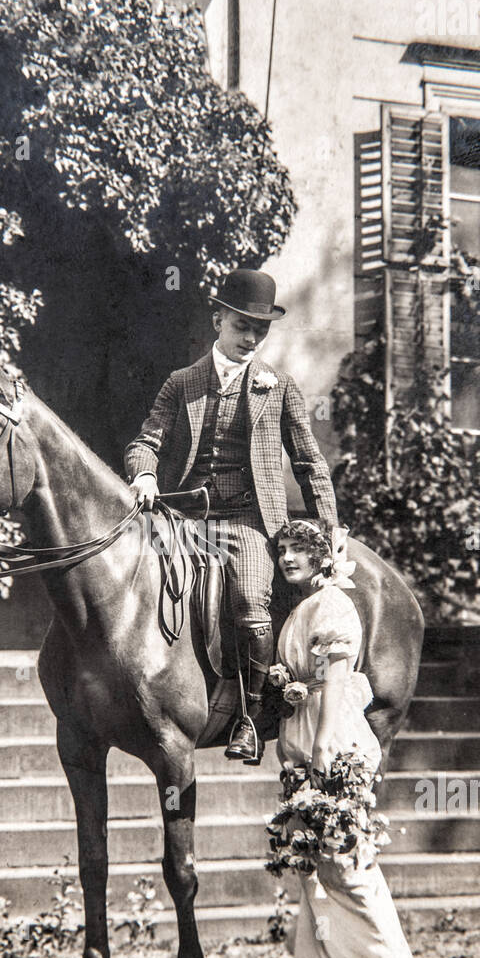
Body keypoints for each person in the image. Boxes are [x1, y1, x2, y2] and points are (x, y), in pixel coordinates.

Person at [125, 268, 338, 764]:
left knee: (248, 599)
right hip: (182, 518)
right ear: (217, 319)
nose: (251, 337)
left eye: (260, 330)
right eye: (242, 325)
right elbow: (146, 441)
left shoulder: (279, 386)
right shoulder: (182, 384)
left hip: (247, 521)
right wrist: (145, 475)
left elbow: (309, 461)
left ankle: (247, 714)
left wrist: (328, 530)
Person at [272, 519, 435, 958]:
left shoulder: (336, 606)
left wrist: (321, 747)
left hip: (333, 740)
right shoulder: (303, 607)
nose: (288, 557)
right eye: (283, 551)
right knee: (313, 867)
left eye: (300, 549)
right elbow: (306, 678)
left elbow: (337, 684)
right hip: (304, 739)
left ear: (323, 557)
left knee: (348, 863)